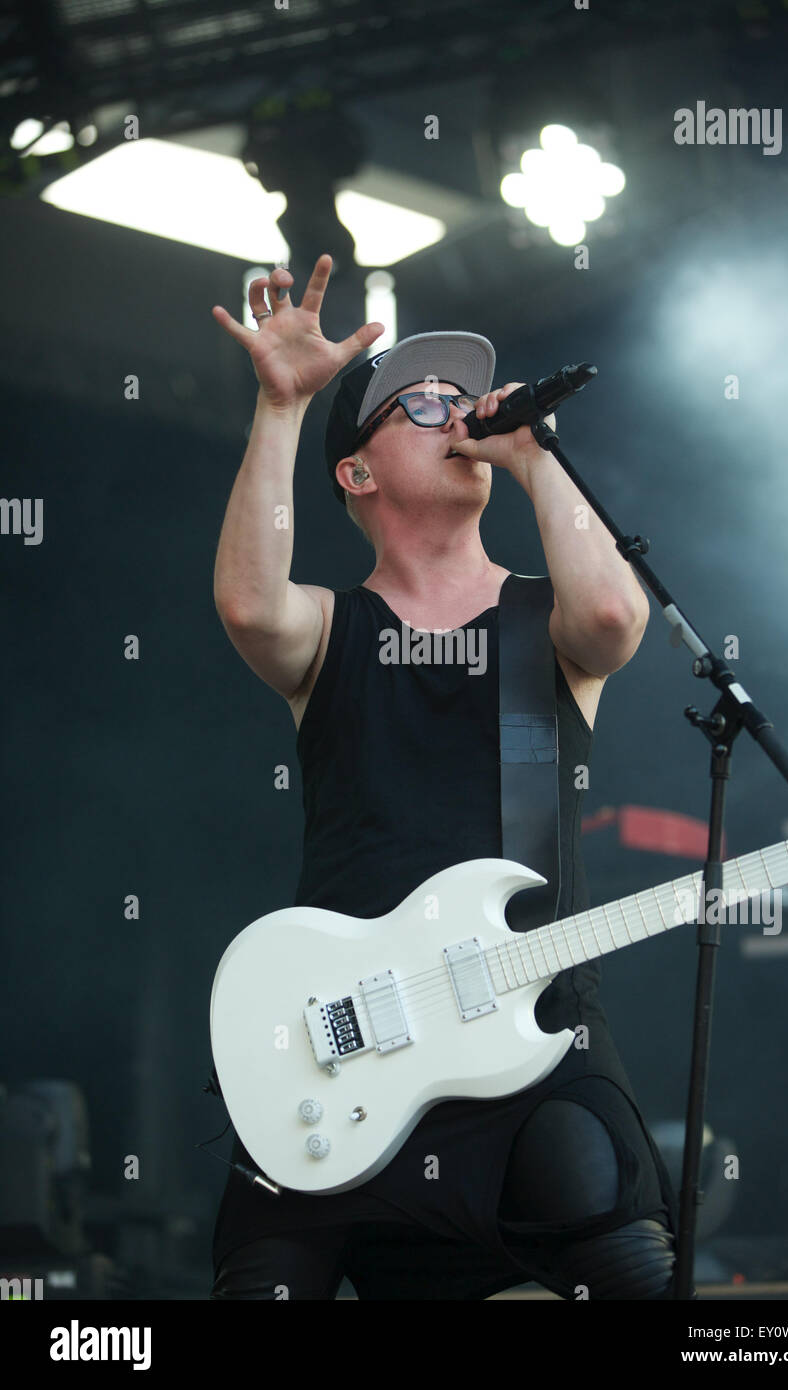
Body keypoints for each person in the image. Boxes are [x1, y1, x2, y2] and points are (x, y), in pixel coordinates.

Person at [208, 254, 690, 1300]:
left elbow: (613, 617)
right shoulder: (331, 627)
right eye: (418, 400)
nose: (453, 409)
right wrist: (282, 407)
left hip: (532, 1036)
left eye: (457, 396)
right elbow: (250, 605)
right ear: (356, 472)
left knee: (638, 1280)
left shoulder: (542, 619)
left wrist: (532, 455)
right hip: (341, 1044)